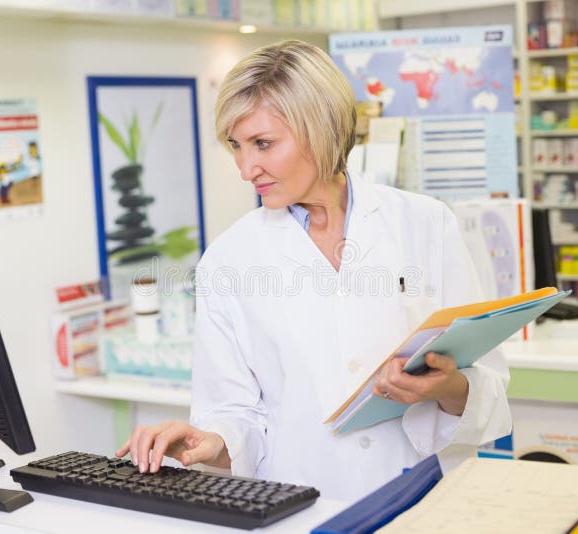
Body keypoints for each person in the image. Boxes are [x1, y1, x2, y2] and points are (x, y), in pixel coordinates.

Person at [117, 40, 512, 502]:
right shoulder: (227, 259)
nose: (246, 168)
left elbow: (488, 382)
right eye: (236, 146)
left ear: (319, 131)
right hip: (302, 504)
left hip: (425, 498)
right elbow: (233, 413)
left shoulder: (425, 223)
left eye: (263, 144)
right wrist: (212, 440)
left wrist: (451, 389)